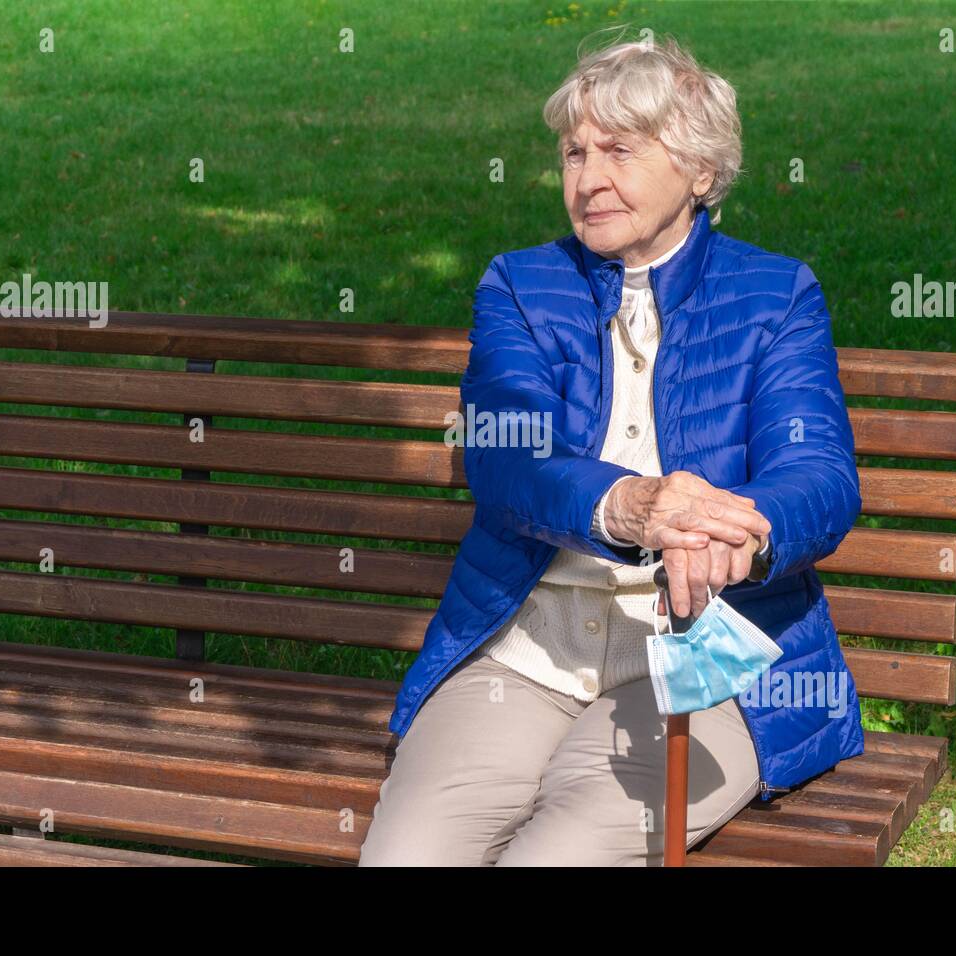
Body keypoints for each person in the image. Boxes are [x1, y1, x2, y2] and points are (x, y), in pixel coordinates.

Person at [359, 34, 864, 866]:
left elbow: (819, 476)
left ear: (699, 171)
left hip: (712, 662)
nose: (587, 178)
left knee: (554, 861)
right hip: (526, 652)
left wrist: (744, 531)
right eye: (572, 153)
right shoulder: (521, 286)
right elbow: (506, 457)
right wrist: (627, 505)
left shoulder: (777, 294)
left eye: (619, 151)